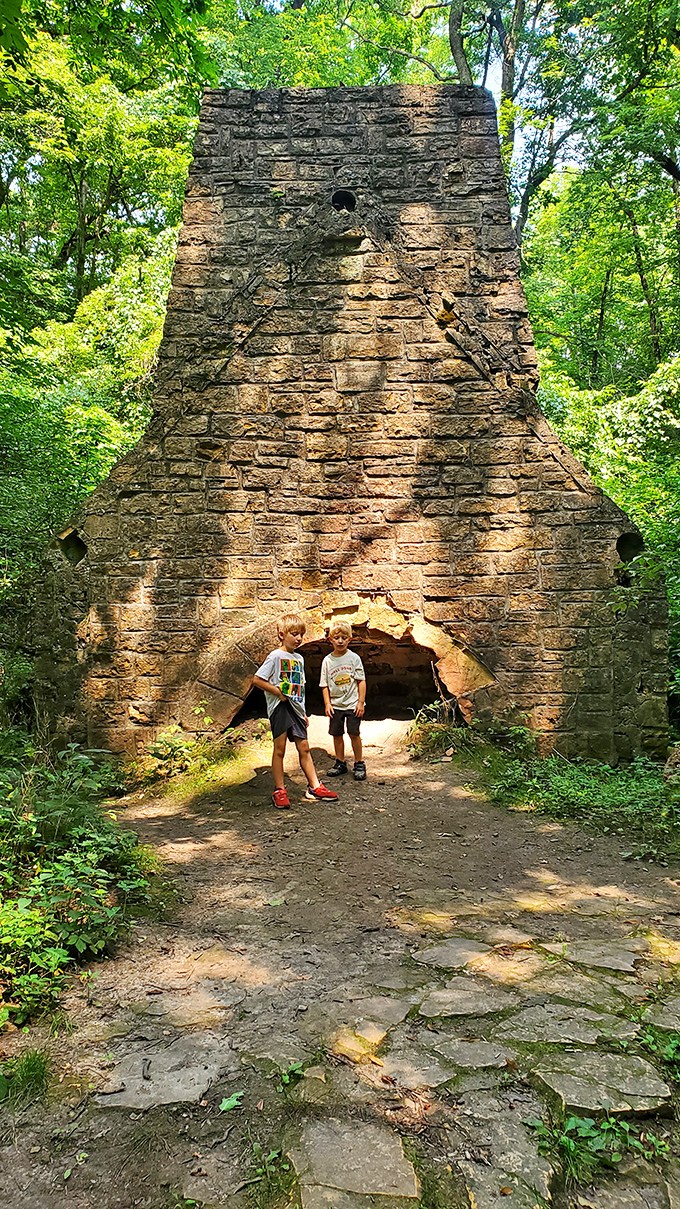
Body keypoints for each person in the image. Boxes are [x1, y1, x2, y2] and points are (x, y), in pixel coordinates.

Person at [252, 613, 339, 810]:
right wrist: (277, 692)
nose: (299, 638)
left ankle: (315, 786)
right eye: (294, 634)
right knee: (280, 748)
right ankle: (280, 789)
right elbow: (257, 680)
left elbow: (299, 688)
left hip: (296, 709)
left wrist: (303, 712)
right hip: (280, 708)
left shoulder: (299, 658)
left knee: (305, 747)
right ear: (282, 634)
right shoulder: (275, 656)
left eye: (301, 634)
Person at [320, 620, 367, 781]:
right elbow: (324, 684)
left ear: (350, 639)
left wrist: (360, 702)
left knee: (354, 733)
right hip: (335, 705)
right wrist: (327, 703)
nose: (340, 641)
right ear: (330, 639)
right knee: (337, 734)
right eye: (337, 637)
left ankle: (359, 762)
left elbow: (361, 681)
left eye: (344, 637)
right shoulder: (327, 661)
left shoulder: (354, 658)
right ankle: (340, 762)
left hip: (352, 704)